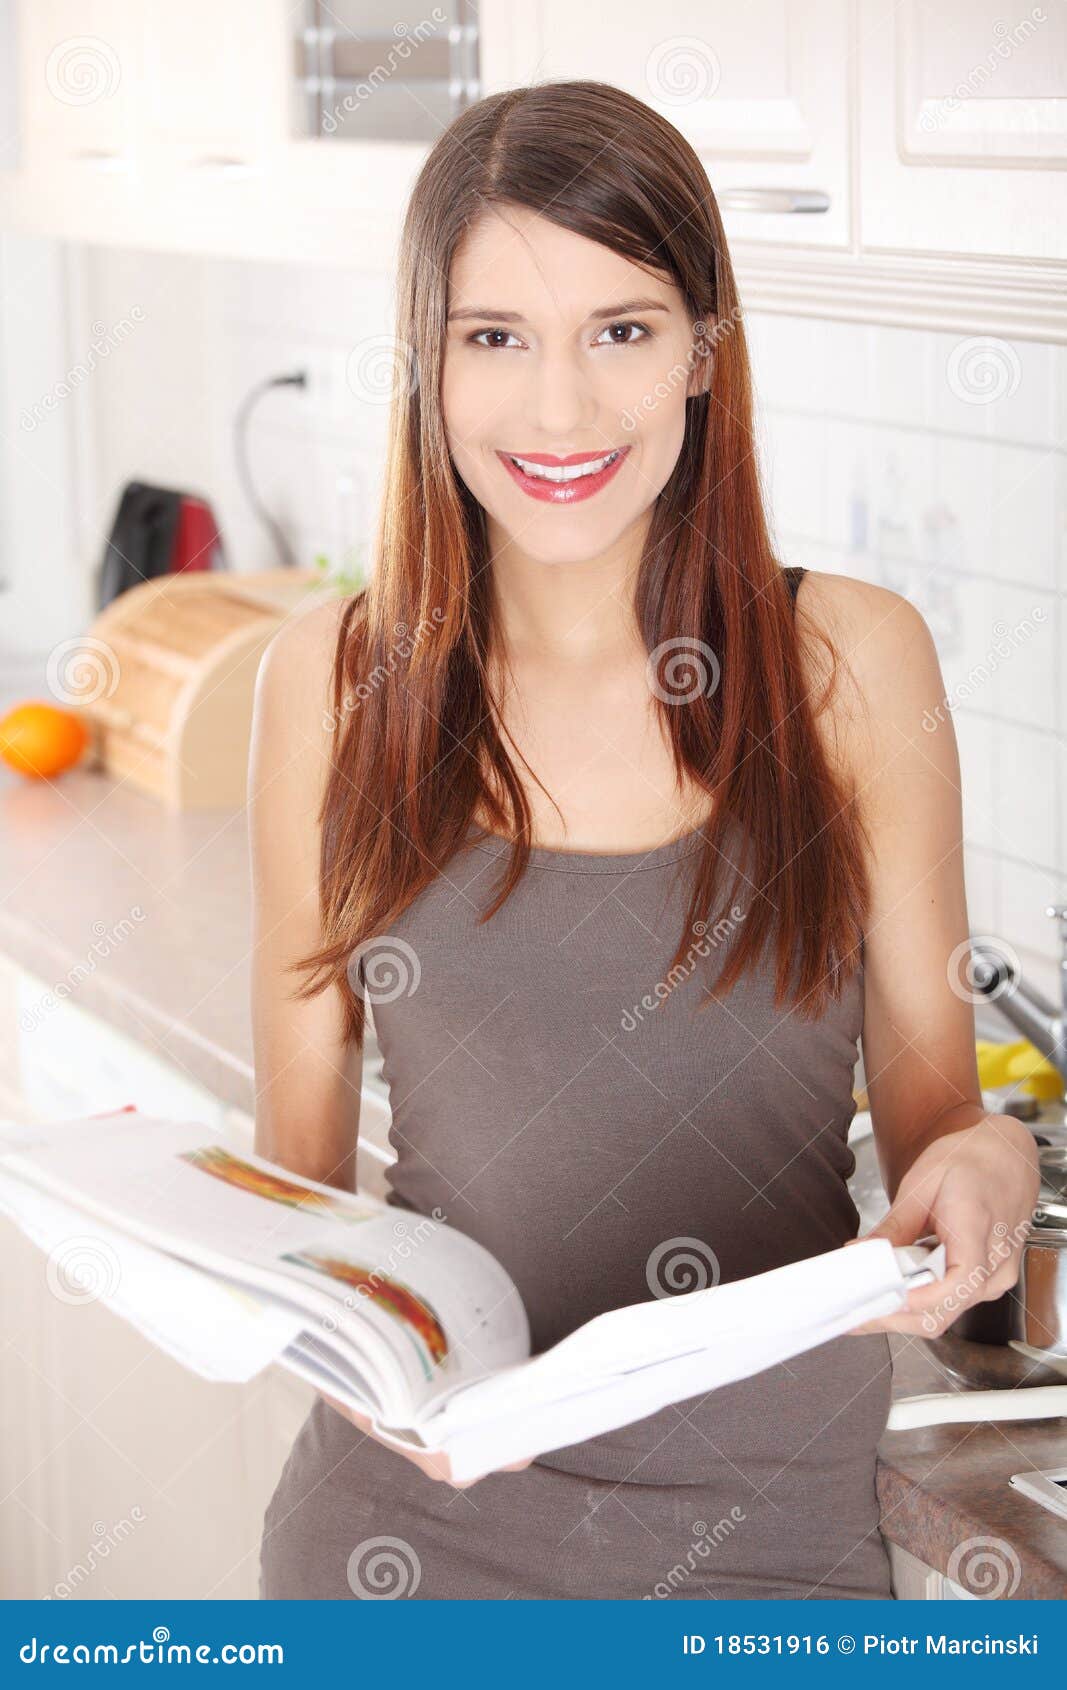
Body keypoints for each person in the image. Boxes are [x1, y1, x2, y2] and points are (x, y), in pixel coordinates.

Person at [249, 80, 1038, 1601]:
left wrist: (992, 1160)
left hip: (766, 1558)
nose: (560, 412)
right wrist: (300, 1311)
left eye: (621, 329)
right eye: (497, 337)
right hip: (401, 1543)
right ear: (429, 361)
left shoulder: (849, 665)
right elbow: (296, 1191)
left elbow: (940, 1120)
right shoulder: (336, 683)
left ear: (701, 354)